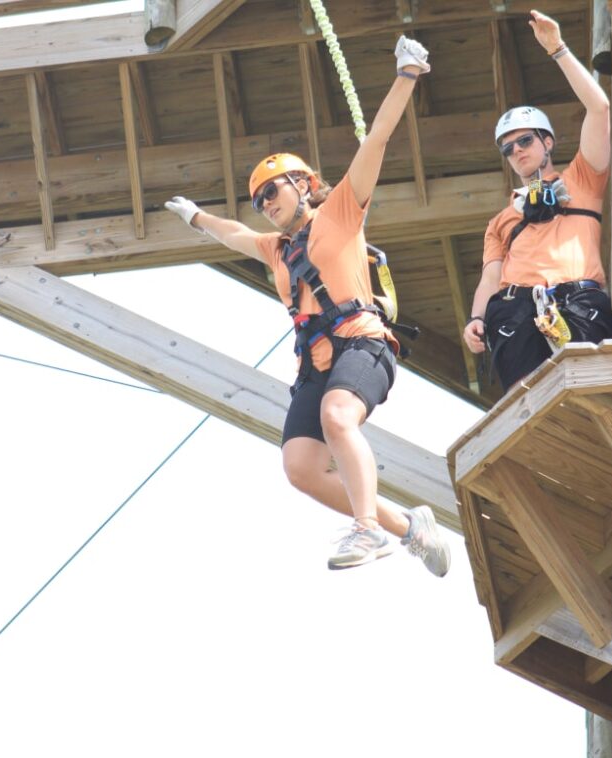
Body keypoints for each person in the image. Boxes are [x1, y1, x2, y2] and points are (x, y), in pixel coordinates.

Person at [166, 37, 450, 575]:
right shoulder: (276, 248)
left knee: (338, 418)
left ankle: (367, 530)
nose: (268, 204)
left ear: (305, 184)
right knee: (300, 467)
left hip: (363, 344)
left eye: (274, 190)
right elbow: (233, 235)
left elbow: (378, 141)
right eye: (260, 199)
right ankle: (409, 528)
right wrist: (197, 218)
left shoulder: (340, 212)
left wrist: (407, 74)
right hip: (315, 363)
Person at [463, 10, 612, 391]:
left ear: (548, 142)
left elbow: (600, 109)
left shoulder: (582, 179)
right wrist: (475, 317)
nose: (517, 151)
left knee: (585, 395)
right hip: (513, 310)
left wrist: (558, 49)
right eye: (508, 148)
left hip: (578, 300)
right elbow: (490, 277)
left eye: (525, 140)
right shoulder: (501, 220)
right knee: (527, 403)